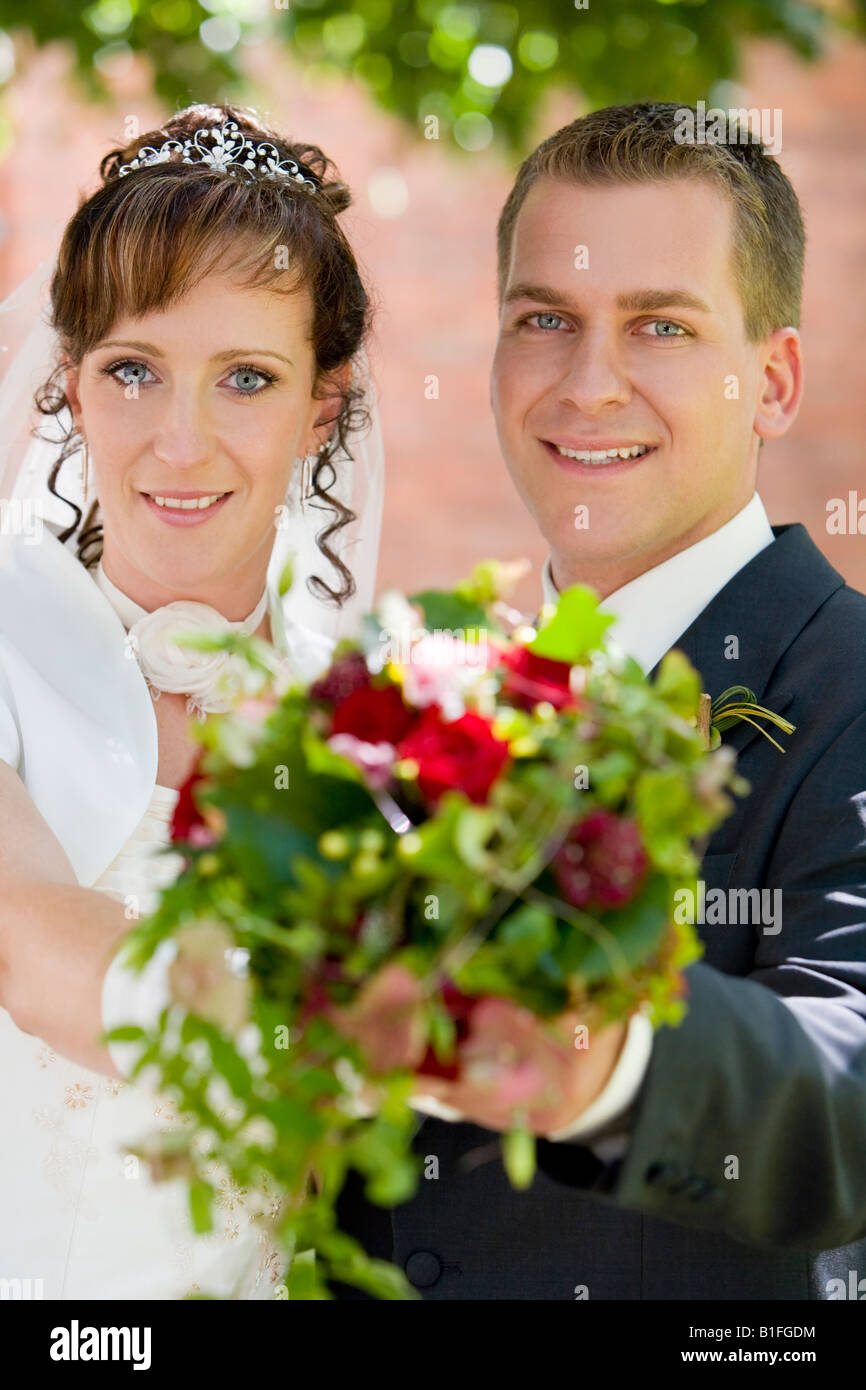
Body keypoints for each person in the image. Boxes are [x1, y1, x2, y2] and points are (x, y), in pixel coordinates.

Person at [334, 102, 866, 1300]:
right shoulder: (431, 689)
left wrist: (601, 1064)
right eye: (543, 321)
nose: (587, 384)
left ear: (771, 380)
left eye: (658, 327)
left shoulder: (845, 682)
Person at [0, 103, 382, 1299]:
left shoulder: (381, 720)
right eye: (132, 370)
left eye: (247, 380)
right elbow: (29, 945)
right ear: (67, 382)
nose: (180, 442)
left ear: (323, 404)